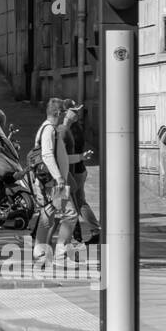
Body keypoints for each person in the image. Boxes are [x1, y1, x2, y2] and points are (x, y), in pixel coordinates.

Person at [31, 98, 78, 264]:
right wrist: (58, 177)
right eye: (63, 112)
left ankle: (40, 251)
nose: (64, 115)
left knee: (48, 214)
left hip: (52, 181)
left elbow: (60, 157)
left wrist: (79, 157)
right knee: (70, 214)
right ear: (58, 113)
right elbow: (47, 155)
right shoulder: (49, 130)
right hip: (53, 182)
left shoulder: (49, 129)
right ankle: (60, 253)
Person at [60, 99, 100, 244]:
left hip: (74, 171)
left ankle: (78, 235)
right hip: (79, 170)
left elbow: (65, 154)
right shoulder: (75, 127)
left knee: (68, 204)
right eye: (74, 111)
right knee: (77, 202)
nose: (76, 113)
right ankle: (92, 231)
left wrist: (65, 124)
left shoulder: (69, 129)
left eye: (75, 111)